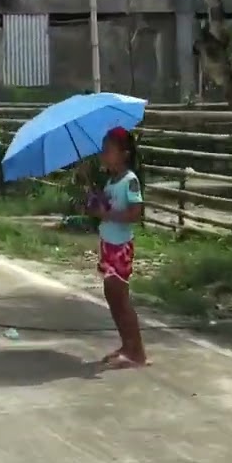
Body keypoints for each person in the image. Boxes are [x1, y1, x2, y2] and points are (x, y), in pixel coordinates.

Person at [88, 126, 147, 368]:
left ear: (123, 154)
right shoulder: (111, 181)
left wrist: (108, 214)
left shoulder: (130, 181)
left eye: (108, 150)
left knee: (121, 298)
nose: (103, 155)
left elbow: (135, 214)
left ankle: (138, 353)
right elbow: (105, 209)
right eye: (102, 151)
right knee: (111, 296)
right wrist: (94, 203)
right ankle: (127, 345)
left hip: (120, 246)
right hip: (108, 245)